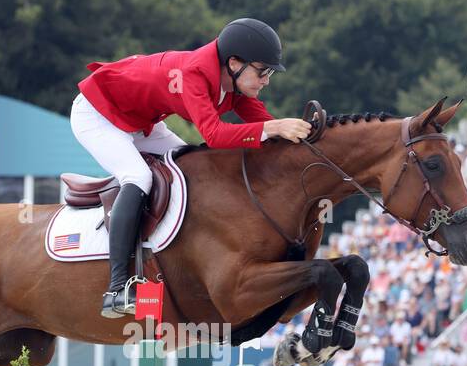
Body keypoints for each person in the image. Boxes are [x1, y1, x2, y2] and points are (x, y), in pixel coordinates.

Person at [72, 18, 311, 317]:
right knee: (139, 176)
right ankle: (118, 288)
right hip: (98, 114)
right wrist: (276, 127)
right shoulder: (194, 73)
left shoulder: (232, 81)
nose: (266, 80)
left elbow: (262, 126)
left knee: (192, 163)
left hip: (141, 121)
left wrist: (299, 141)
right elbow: (214, 135)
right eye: (263, 71)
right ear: (235, 62)